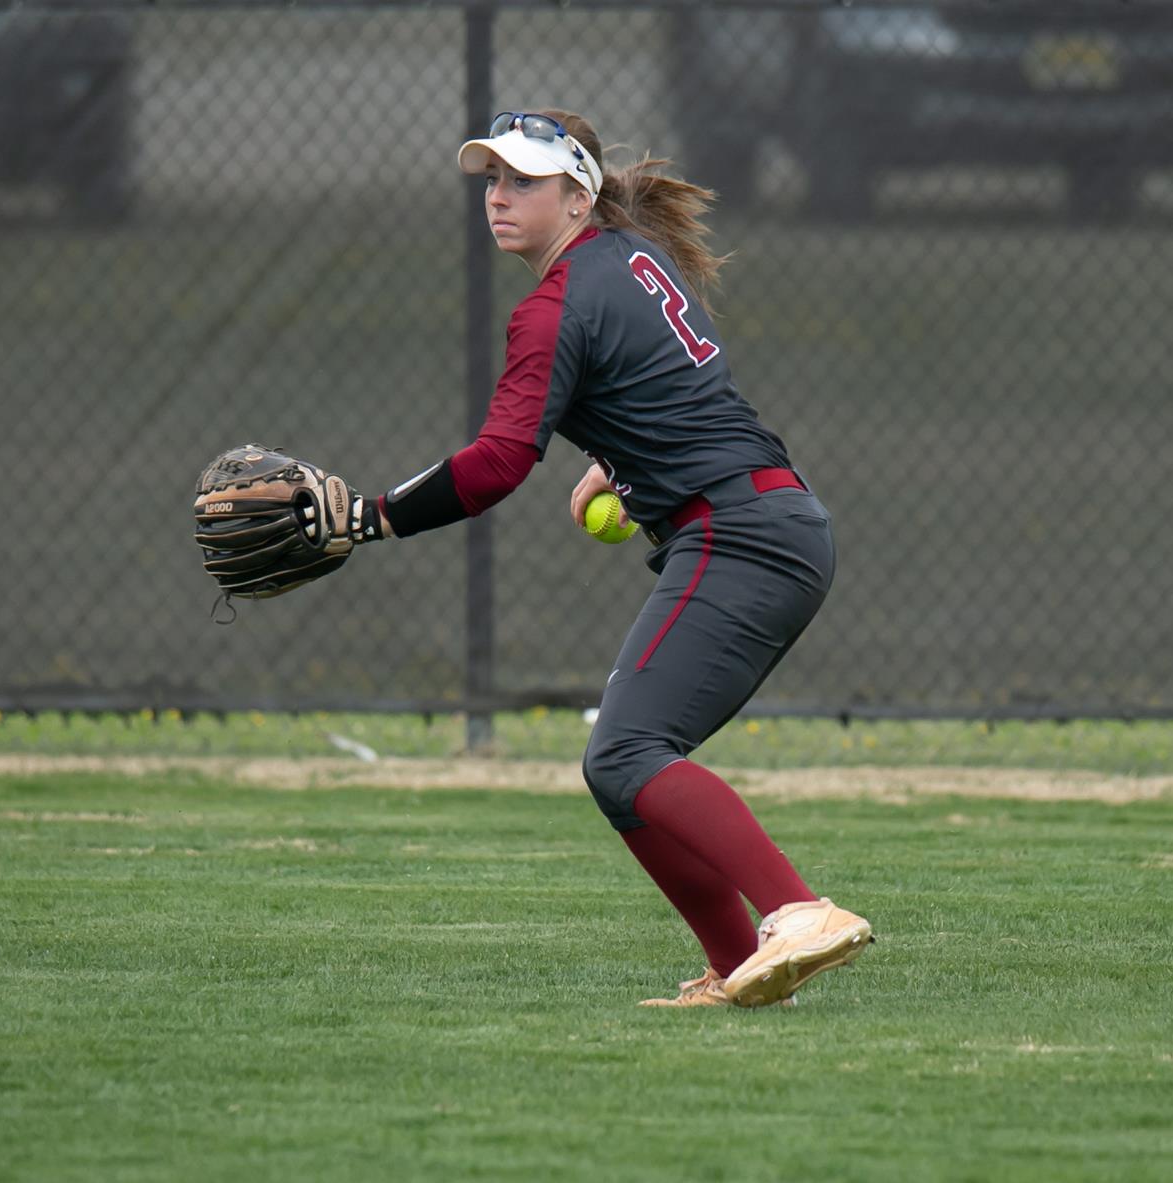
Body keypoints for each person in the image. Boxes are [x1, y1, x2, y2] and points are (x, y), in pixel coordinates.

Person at [358, 109, 871, 1008]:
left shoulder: (556, 305)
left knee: (629, 749)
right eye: (491, 178)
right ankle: (739, 964)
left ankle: (797, 908)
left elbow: (494, 467)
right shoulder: (630, 258)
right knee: (621, 765)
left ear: (578, 194)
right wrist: (619, 460)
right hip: (770, 518)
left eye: (524, 179)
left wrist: (367, 518)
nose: (499, 196)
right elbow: (672, 382)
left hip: (739, 535)